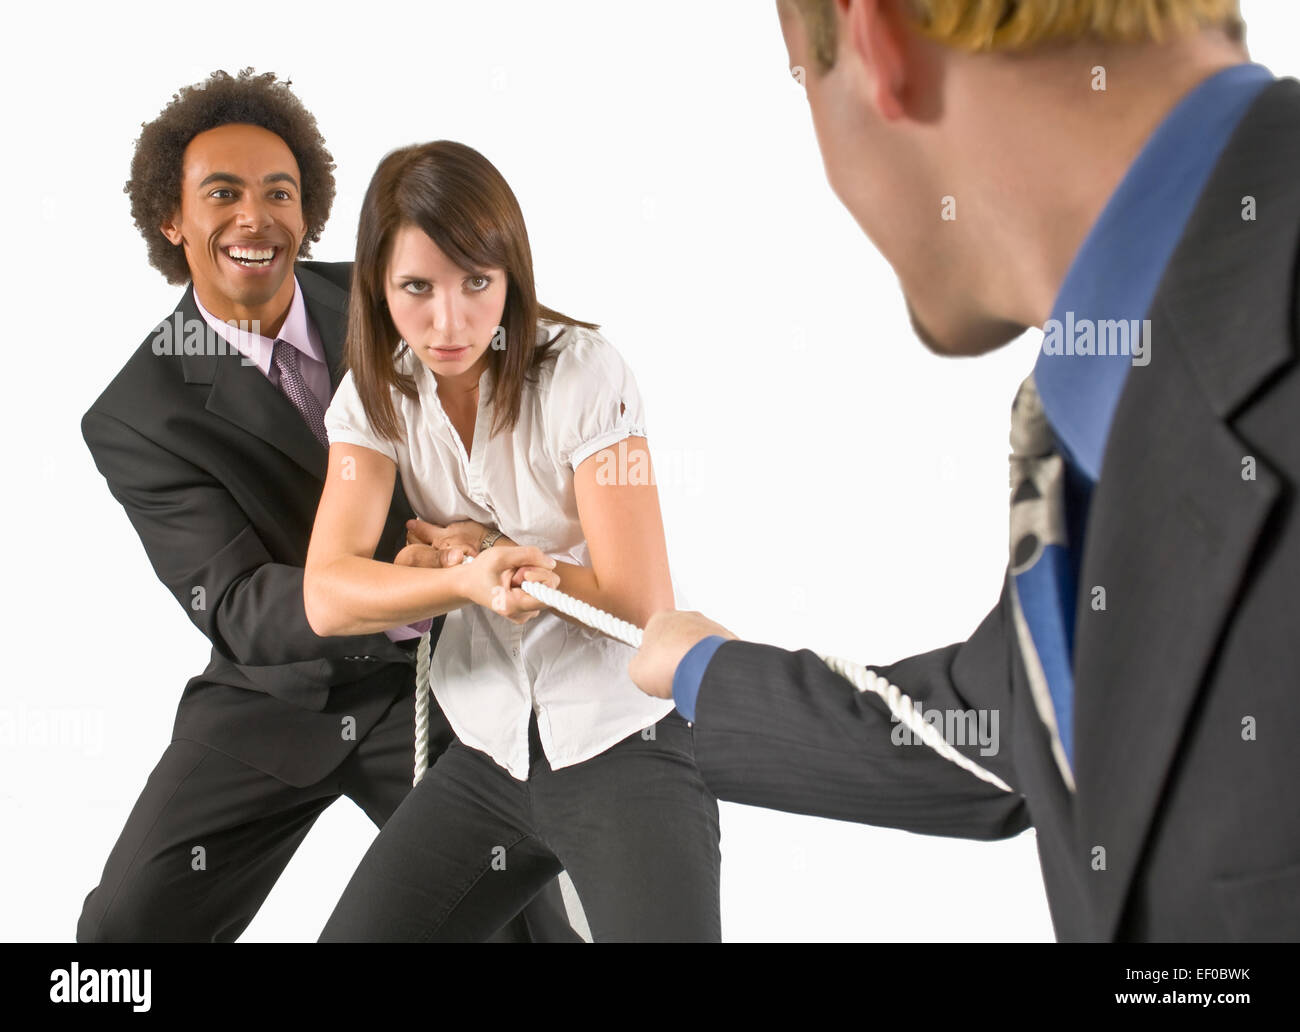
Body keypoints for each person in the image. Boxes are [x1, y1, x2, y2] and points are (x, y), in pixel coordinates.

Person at [630, 0, 1300, 942]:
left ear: (878, 42)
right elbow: (995, 728)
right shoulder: (1107, 410)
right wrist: (700, 669)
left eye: (801, 79)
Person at [78, 68, 580, 942]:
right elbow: (236, 606)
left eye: (280, 192)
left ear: (307, 212)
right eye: (221, 193)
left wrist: (489, 531)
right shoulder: (138, 412)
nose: (254, 217)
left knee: (528, 921)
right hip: (277, 697)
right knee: (123, 934)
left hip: (443, 672)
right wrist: (396, 585)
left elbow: (508, 437)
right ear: (173, 220)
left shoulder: (395, 296)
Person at [305, 140, 722, 942]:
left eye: (477, 283)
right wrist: (461, 581)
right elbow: (328, 593)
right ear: (376, 288)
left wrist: (490, 551)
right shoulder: (375, 393)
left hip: (620, 744)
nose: (450, 320)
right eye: (416, 288)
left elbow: (640, 602)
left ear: (511, 275)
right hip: (488, 756)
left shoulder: (585, 376)